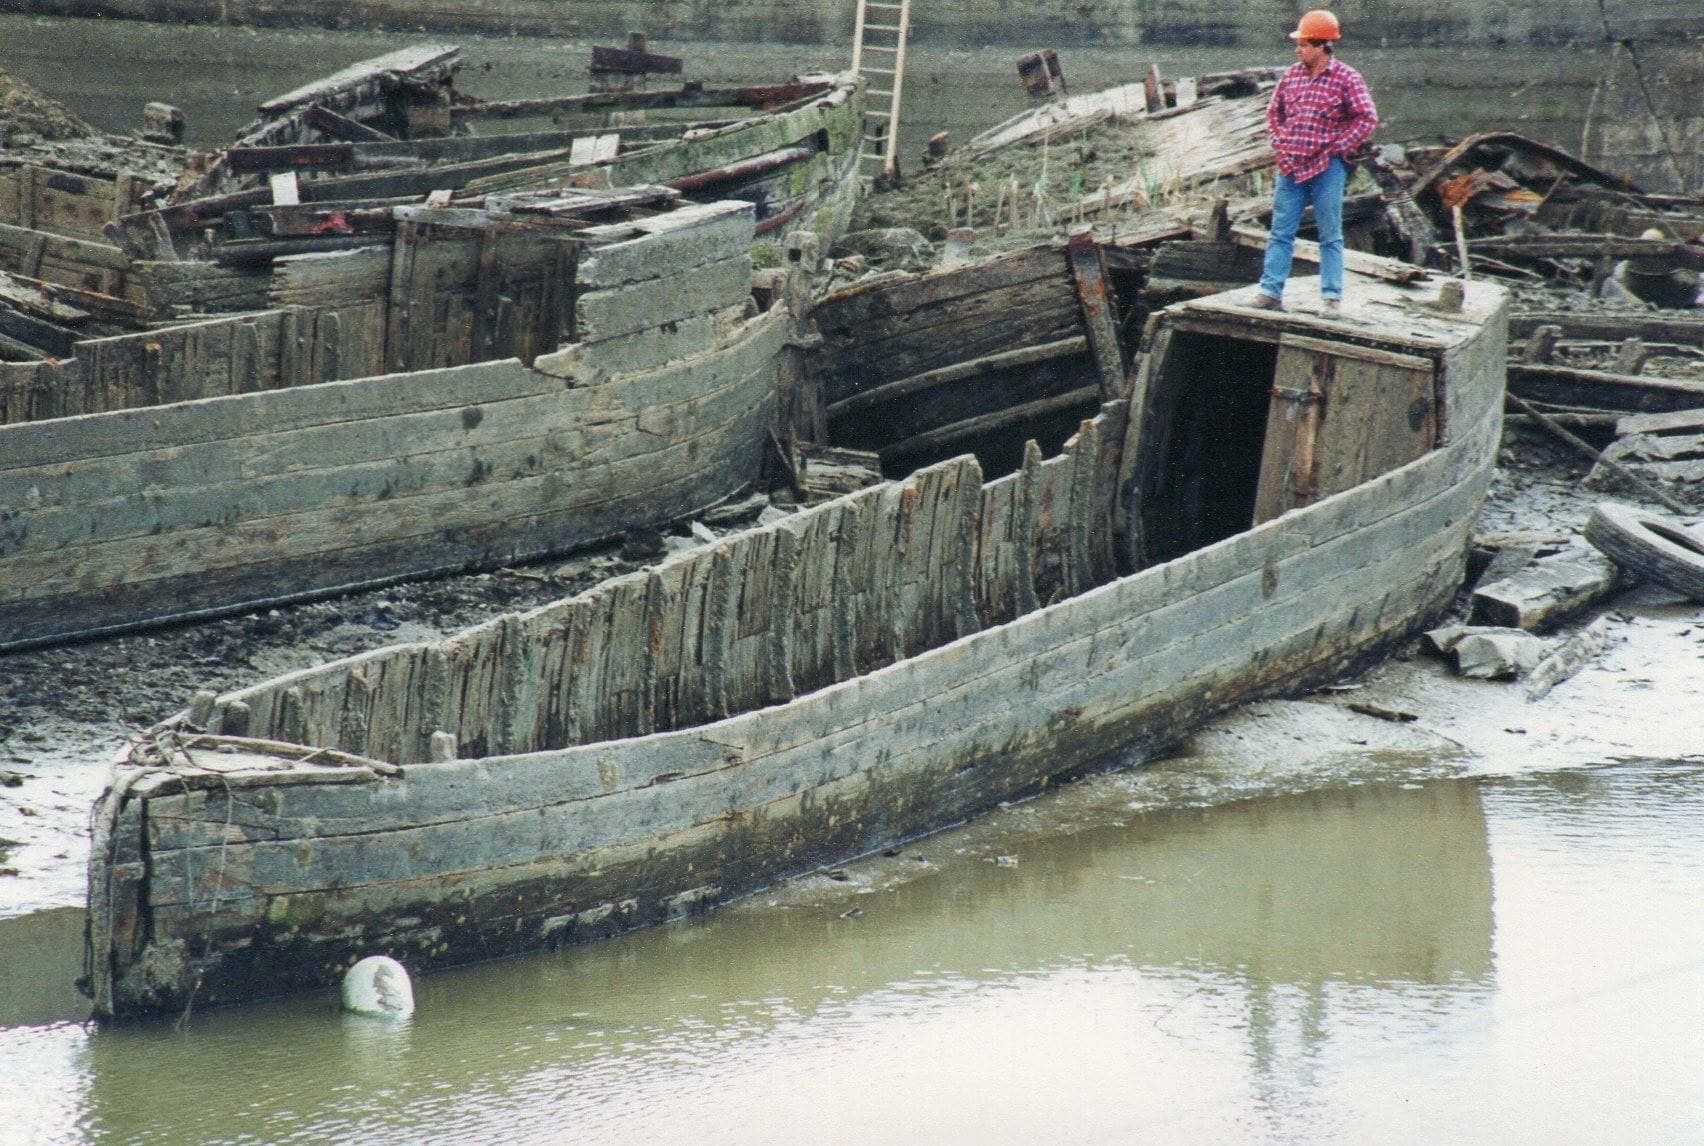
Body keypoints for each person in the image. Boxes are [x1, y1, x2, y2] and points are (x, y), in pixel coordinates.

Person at [1252, 9, 1378, 314]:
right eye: (1298, 44)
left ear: (1322, 46)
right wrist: (1280, 141)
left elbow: (1366, 117)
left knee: (1330, 235)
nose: (1298, 49)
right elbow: (1274, 113)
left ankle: (1331, 297)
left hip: (1327, 168)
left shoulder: (1347, 78)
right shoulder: (1291, 76)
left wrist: (1339, 147)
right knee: (1280, 232)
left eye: (1304, 44)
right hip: (1290, 166)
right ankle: (1270, 293)